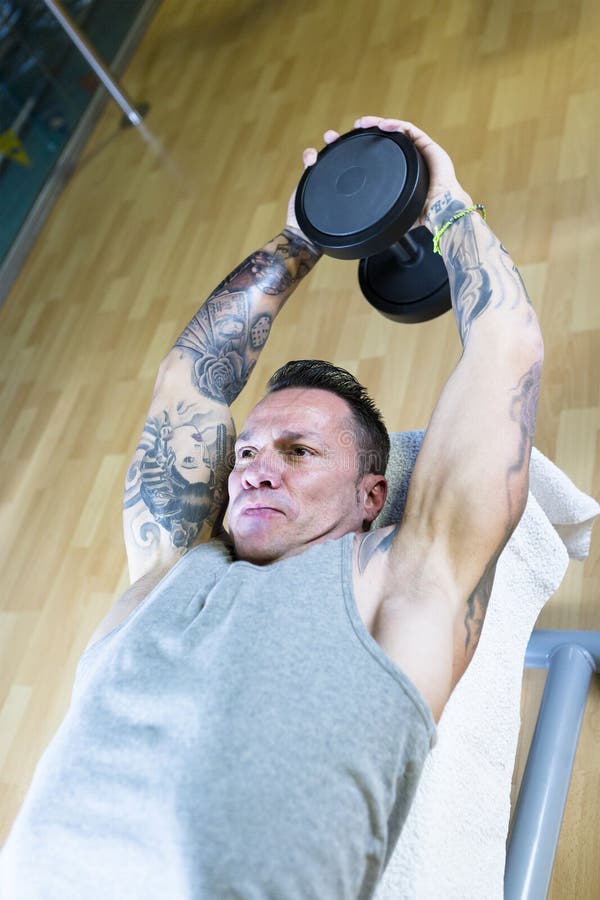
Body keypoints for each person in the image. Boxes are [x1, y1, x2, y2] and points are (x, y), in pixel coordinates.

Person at [0, 117, 543, 899]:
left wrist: (446, 203)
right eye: (249, 450)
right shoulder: (170, 566)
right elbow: (193, 381)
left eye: (299, 451)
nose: (256, 468)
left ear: (373, 496)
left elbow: (505, 354)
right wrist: (299, 240)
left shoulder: (400, 583)